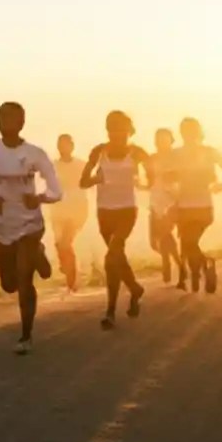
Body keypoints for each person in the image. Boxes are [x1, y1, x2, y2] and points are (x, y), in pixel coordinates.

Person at [0, 102, 62, 354]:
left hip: (29, 224)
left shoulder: (35, 154)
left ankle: (25, 335)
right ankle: (38, 254)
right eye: (2, 118)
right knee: (9, 284)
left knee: (24, 276)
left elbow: (56, 190)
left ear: (22, 123)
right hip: (0, 226)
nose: (7, 123)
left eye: (12, 118)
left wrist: (40, 198)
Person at [79, 111, 149, 329]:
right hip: (105, 213)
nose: (117, 135)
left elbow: (154, 175)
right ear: (107, 131)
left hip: (127, 211)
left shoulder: (137, 153)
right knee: (117, 257)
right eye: (112, 130)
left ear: (129, 131)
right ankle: (135, 289)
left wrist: (142, 182)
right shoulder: (98, 152)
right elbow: (83, 182)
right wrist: (95, 179)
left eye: (121, 130)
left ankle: (110, 311)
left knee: (112, 256)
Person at [163, 117, 222, 294]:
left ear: (197, 132)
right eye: (185, 131)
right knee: (189, 243)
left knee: (189, 242)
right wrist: (171, 192)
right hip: (183, 205)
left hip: (201, 205)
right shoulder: (177, 154)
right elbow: (166, 178)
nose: (188, 135)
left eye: (191, 131)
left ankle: (206, 264)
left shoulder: (208, 152)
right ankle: (196, 276)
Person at [144, 128, 184, 288]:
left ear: (171, 140)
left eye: (165, 139)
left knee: (165, 232)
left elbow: (182, 175)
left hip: (173, 198)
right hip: (156, 199)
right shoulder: (151, 158)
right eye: (158, 139)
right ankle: (173, 261)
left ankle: (172, 264)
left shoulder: (177, 157)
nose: (161, 142)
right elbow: (149, 181)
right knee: (154, 242)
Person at [49, 134, 90, 293]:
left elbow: (89, 183)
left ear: (72, 146)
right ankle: (69, 271)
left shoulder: (81, 165)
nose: (63, 148)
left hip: (76, 209)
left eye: (66, 145)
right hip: (58, 210)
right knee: (60, 244)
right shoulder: (53, 166)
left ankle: (72, 278)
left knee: (66, 242)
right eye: (60, 145)